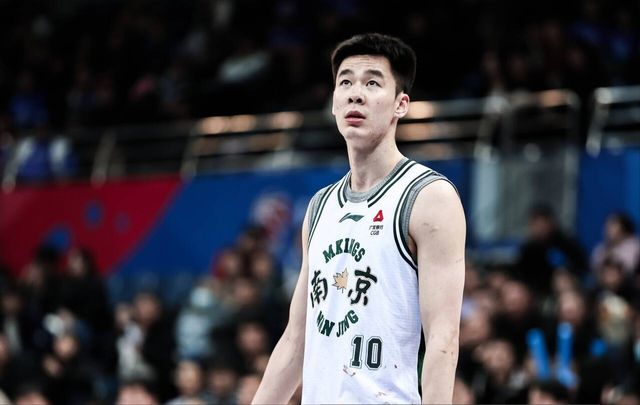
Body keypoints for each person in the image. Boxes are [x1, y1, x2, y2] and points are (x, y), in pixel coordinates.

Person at [252, 33, 466, 404]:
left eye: (372, 83)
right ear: (334, 102)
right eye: (346, 82)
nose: (355, 94)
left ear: (401, 104)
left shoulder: (430, 197)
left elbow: (443, 338)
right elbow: (296, 341)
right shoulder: (319, 207)